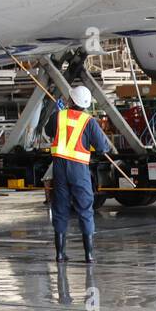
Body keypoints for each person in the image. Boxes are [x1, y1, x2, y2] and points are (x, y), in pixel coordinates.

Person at [44, 85, 111, 264]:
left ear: (71, 101)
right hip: (79, 170)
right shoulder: (88, 122)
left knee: (60, 209)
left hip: (59, 169)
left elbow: (48, 131)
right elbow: (103, 148)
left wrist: (57, 114)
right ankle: (88, 255)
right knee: (85, 210)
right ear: (85, 105)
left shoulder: (59, 116)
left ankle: (59, 254)